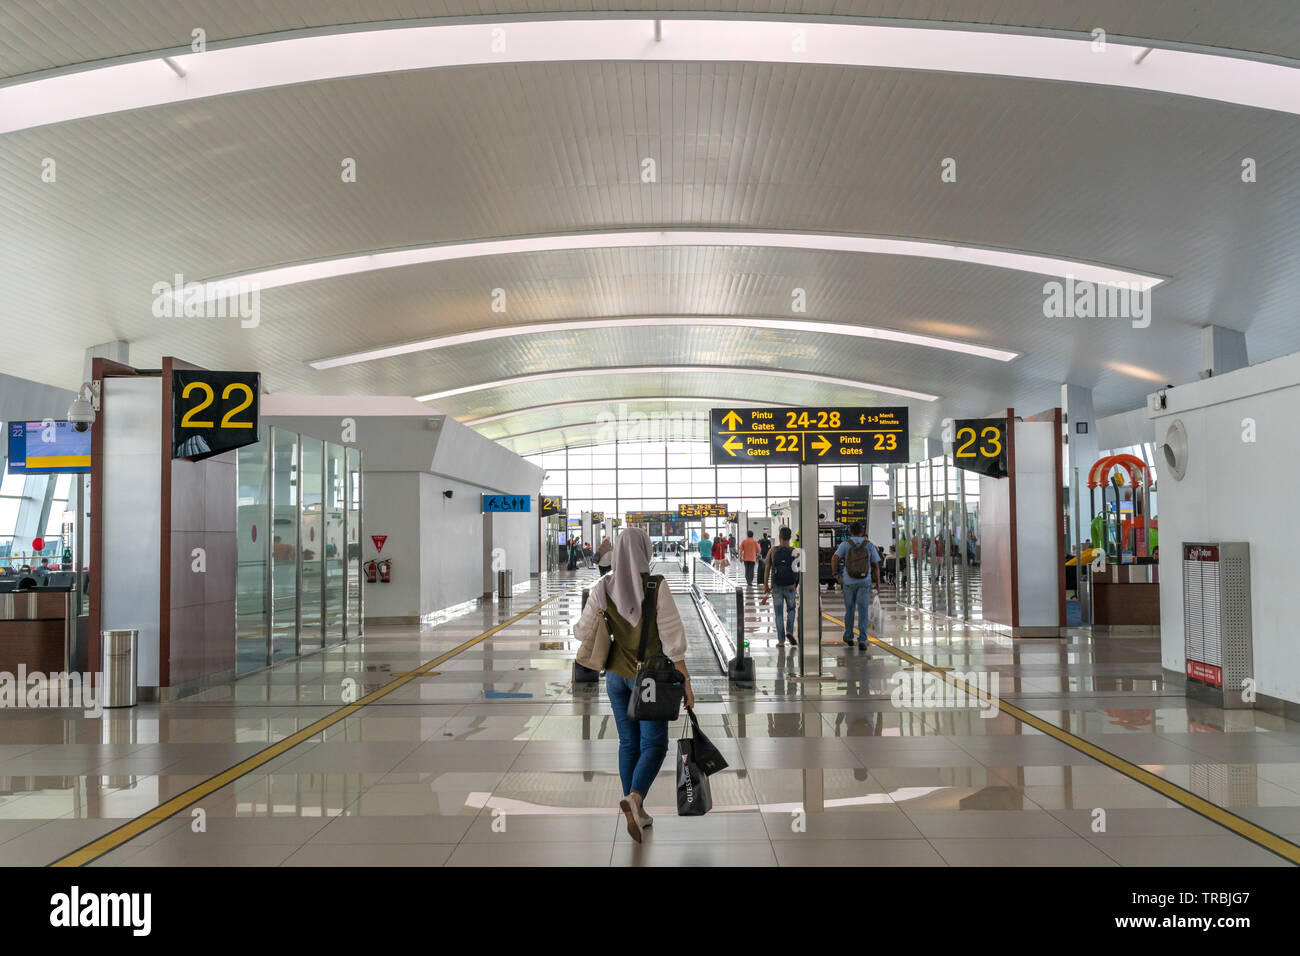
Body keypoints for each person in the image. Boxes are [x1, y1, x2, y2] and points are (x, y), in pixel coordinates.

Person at [572, 529, 693, 843]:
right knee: (654, 745)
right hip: (651, 678)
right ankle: (635, 800)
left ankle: (634, 806)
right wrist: (686, 683)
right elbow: (672, 641)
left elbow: (580, 631)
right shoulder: (656, 586)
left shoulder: (603, 586)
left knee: (628, 744)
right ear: (645, 550)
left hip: (615, 678)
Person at [831, 521, 881, 649]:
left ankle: (848, 636)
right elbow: (875, 566)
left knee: (850, 610)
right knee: (863, 610)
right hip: (865, 582)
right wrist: (878, 583)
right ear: (862, 532)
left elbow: (834, 558)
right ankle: (862, 639)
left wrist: (836, 574)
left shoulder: (845, 545)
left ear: (850, 532)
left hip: (848, 582)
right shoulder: (869, 545)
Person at [763, 526, 799, 647]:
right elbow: (797, 570)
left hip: (776, 585)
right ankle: (789, 631)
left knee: (778, 613)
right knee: (791, 609)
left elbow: (767, 568)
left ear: (779, 537)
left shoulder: (773, 551)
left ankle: (781, 641)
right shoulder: (795, 551)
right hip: (790, 585)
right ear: (790, 537)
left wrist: (766, 586)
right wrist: (795, 585)